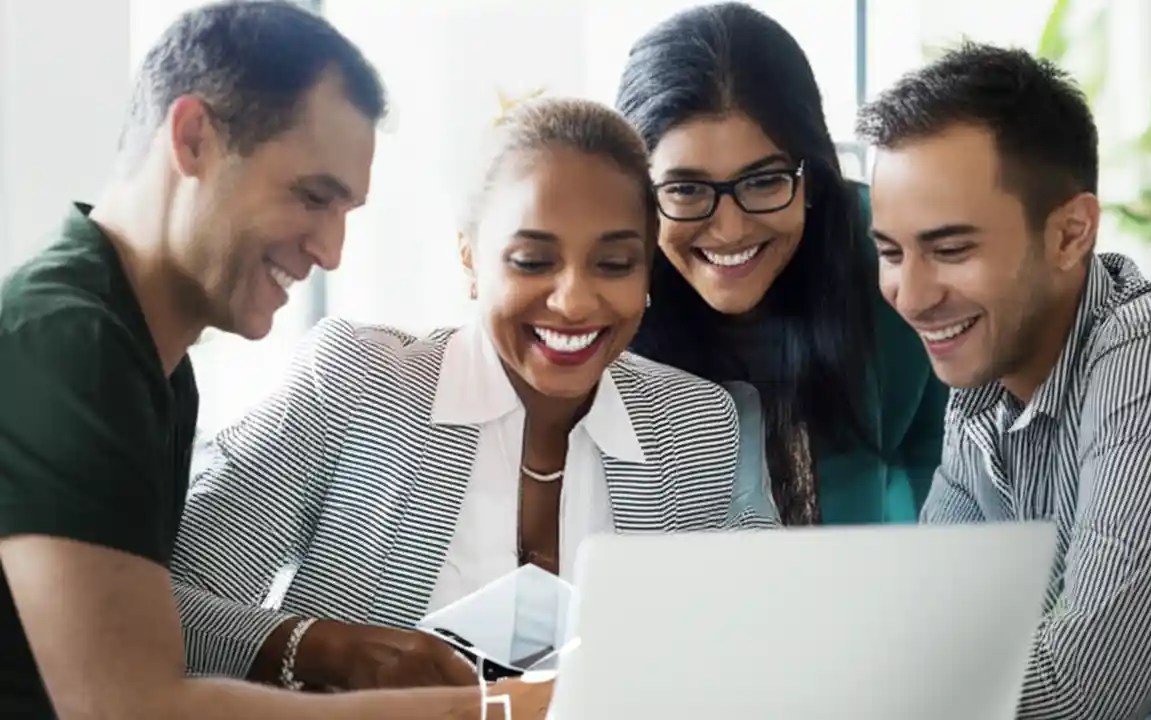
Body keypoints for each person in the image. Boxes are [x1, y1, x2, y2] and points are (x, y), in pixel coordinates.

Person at [0, 2, 548, 718]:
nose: (330, 251)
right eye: (312, 197)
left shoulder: (154, 364)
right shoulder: (73, 344)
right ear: (194, 138)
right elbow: (135, 709)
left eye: (345, 211)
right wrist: (513, 708)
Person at [169, 96, 778, 688]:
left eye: (614, 264)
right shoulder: (357, 383)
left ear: (648, 269)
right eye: (532, 261)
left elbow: (765, 640)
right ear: (470, 259)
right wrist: (326, 650)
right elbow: (158, 605)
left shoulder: (695, 425)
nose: (573, 301)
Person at [858, 42, 1151, 719]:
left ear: (1070, 233)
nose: (909, 295)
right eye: (889, 252)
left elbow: (1075, 694)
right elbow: (930, 633)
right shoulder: (980, 396)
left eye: (951, 249)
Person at [615, 3, 947, 526]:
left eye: (764, 180)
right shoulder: (605, 280)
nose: (729, 229)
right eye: (685, 189)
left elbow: (949, 471)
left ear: (810, 175)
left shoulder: (887, 253)